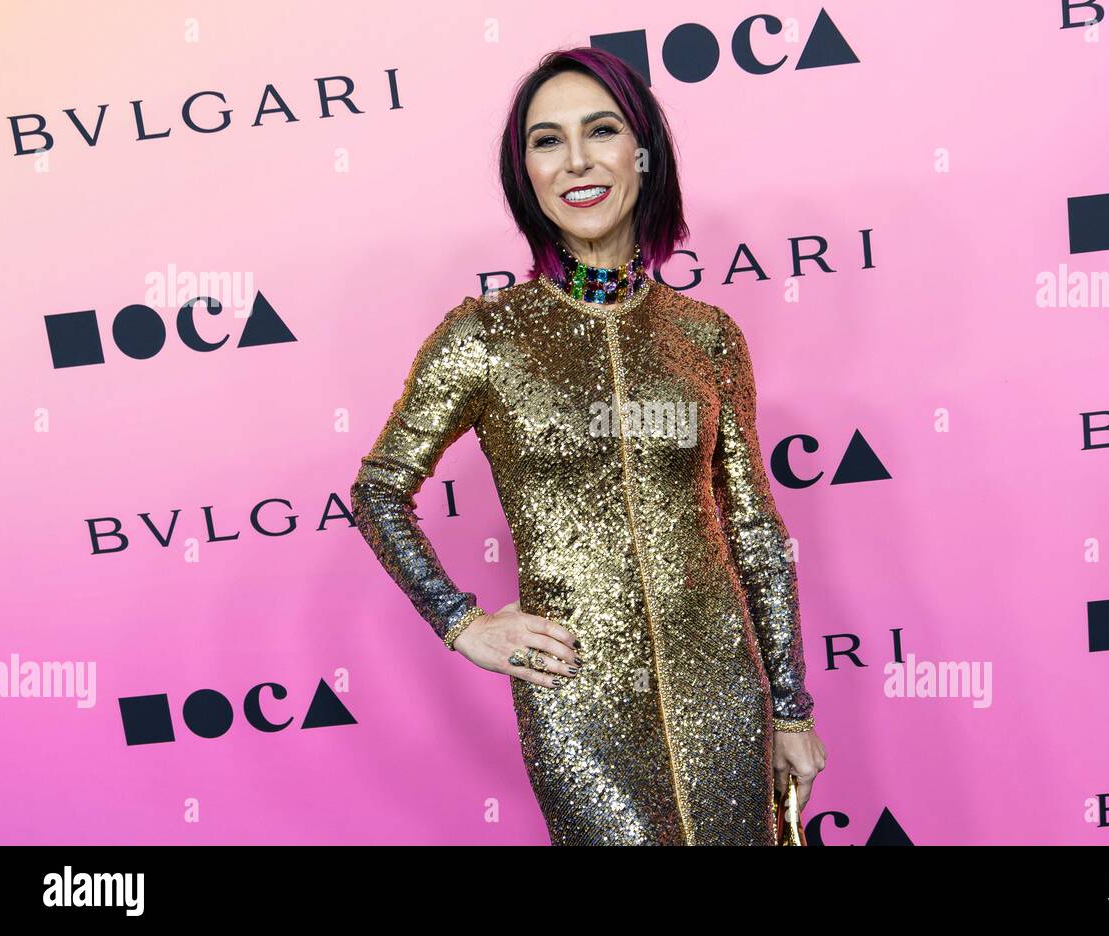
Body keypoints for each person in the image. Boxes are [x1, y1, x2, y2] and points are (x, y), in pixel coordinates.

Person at [349, 46, 825, 845]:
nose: (576, 161)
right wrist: (462, 623)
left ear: (643, 154)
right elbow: (378, 492)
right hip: (578, 703)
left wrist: (789, 708)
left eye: (600, 131)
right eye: (546, 140)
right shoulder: (484, 338)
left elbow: (754, 534)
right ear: (524, 173)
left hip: (725, 694)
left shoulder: (705, 336)